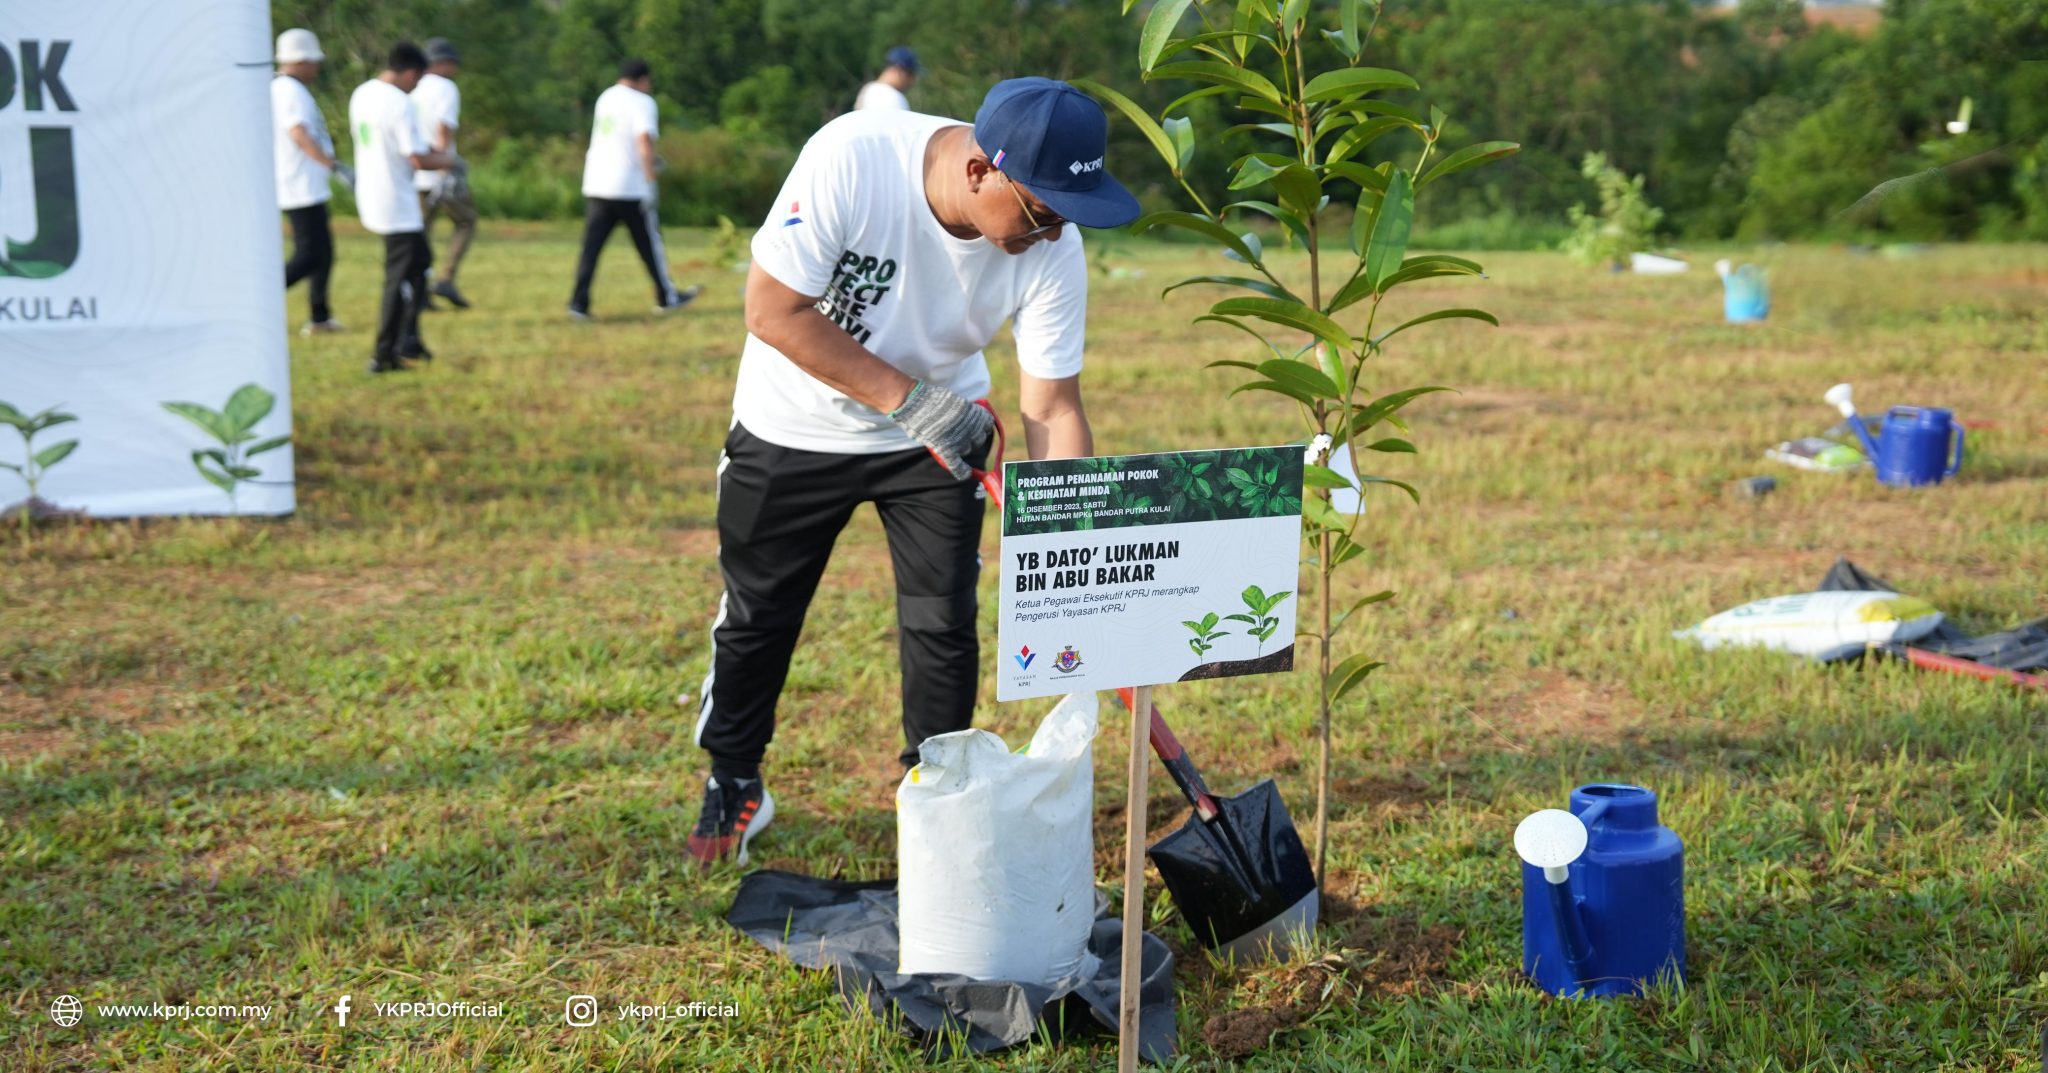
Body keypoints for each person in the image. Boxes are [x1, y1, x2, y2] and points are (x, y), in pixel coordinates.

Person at [686, 77, 1141, 865]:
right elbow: (771, 310)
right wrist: (909, 402)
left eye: (1066, 217)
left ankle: (935, 790)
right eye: (1039, 212)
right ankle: (734, 775)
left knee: (942, 621)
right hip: (796, 423)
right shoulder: (852, 159)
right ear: (978, 172)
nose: (1051, 234)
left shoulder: (1052, 245)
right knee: (760, 616)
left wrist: (1069, 537)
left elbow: (1054, 407)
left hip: (940, 436)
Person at [348, 42, 457, 374]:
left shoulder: (363, 93)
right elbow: (418, 158)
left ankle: (409, 339)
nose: (417, 87)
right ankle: (383, 355)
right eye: (418, 79)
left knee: (419, 264)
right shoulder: (400, 103)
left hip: (373, 193)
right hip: (397, 201)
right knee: (399, 281)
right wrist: (450, 160)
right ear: (411, 72)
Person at [568, 59, 701, 320]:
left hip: (597, 184)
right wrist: (651, 180)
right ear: (643, 79)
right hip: (630, 187)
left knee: (591, 249)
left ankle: (578, 304)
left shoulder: (605, 97)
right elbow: (644, 141)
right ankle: (667, 296)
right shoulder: (642, 102)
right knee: (650, 246)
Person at [272, 28, 350, 336]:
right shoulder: (289, 91)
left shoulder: (287, 88)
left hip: (307, 184)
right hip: (299, 184)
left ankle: (320, 316)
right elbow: (299, 132)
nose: (316, 68)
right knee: (309, 255)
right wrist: (329, 163)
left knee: (324, 252)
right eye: (313, 62)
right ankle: (261, 299)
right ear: (300, 60)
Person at [411, 38, 477, 310]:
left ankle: (420, 291)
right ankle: (446, 278)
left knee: (421, 234)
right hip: (440, 170)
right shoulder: (446, 88)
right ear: (443, 63)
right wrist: (446, 164)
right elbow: (444, 130)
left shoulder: (410, 88)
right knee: (466, 221)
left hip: (415, 172)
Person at [853, 46, 919, 111]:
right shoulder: (892, 97)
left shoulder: (869, 89)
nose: (912, 81)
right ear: (900, 71)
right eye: (911, 74)